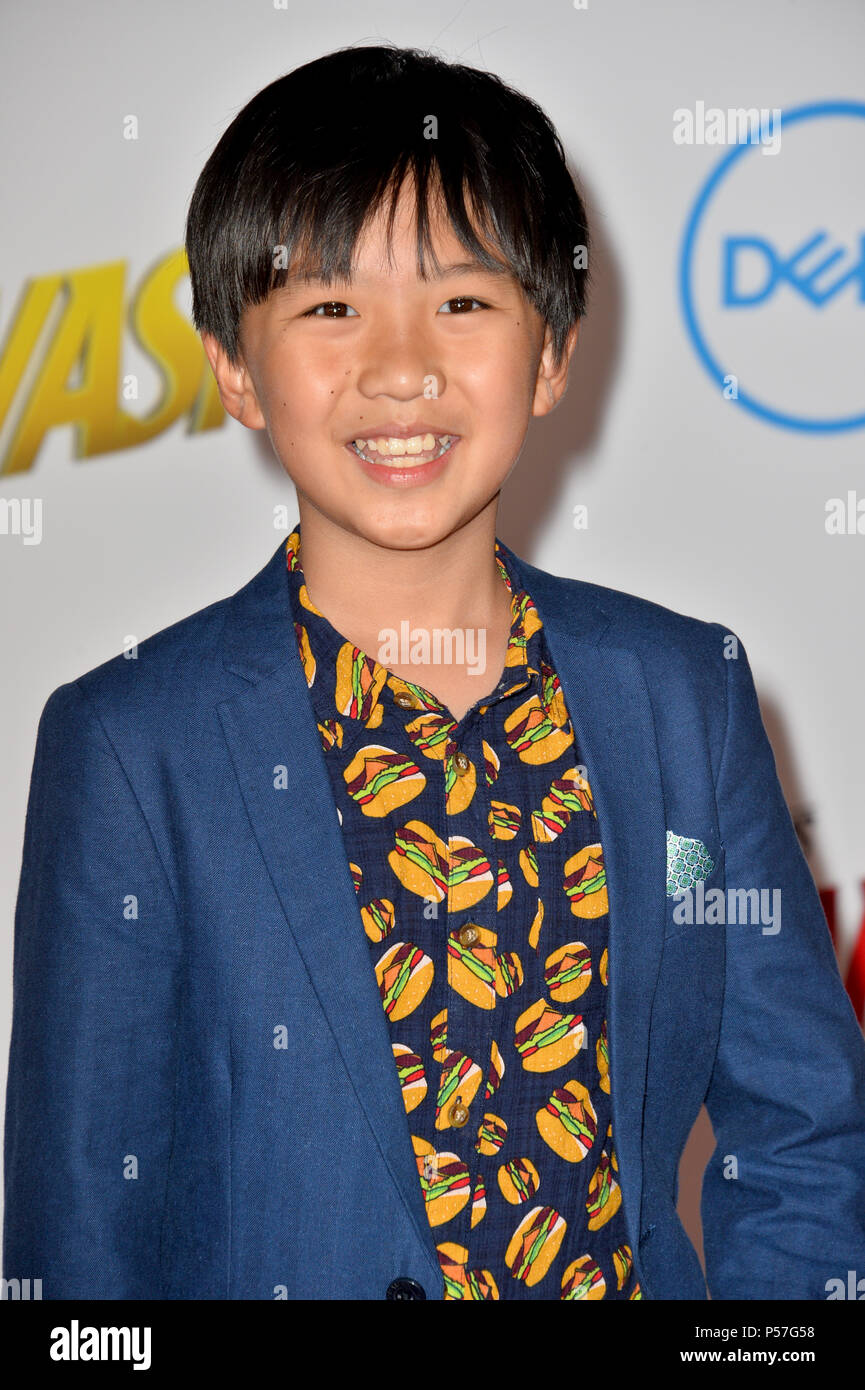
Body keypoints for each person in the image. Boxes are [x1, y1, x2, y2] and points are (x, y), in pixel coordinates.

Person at [4, 43, 865, 1302]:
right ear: (235, 367)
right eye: (329, 307)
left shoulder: (684, 696)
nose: (400, 367)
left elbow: (804, 1132)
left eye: (463, 302)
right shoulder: (133, 744)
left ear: (553, 351)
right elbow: (82, 1236)